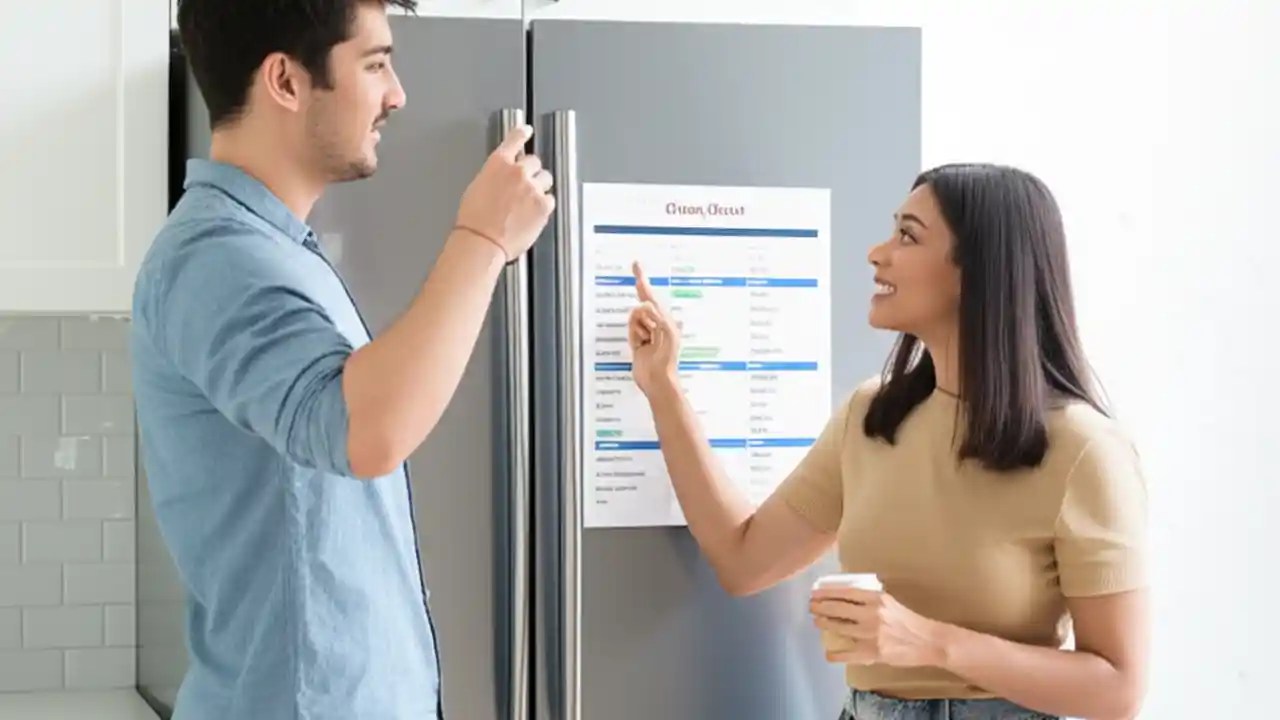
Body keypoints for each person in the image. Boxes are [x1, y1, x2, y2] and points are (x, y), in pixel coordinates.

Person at [131, 1, 553, 718]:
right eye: (376, 63)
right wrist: (482, 240)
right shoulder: (218, 260)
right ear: (286, 82)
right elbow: (366, 430)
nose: (398, 94)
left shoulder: (272, 251)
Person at [626, 163, 1149, 720]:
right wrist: (662, 388)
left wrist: (927, 642)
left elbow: (1118, 688)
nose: (877, 253)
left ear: (975, 270)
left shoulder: (1084, 451)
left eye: (908, 235)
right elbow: (743, 559)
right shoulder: (871, 418)